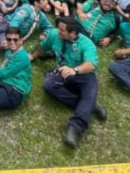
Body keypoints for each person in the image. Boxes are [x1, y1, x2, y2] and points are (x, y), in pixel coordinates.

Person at [38, 17, 106, 148]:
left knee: (91, 87)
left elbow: (91, 64)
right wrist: (33, 55)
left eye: (62, 31)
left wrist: (75, 70)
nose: (59, 32)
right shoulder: (54, 35)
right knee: (48, 85)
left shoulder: (86, 43)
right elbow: (43, 48)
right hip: (61, 72)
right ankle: (91, 105)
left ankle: (75, 127)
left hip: (81, 74)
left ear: (73, 33)